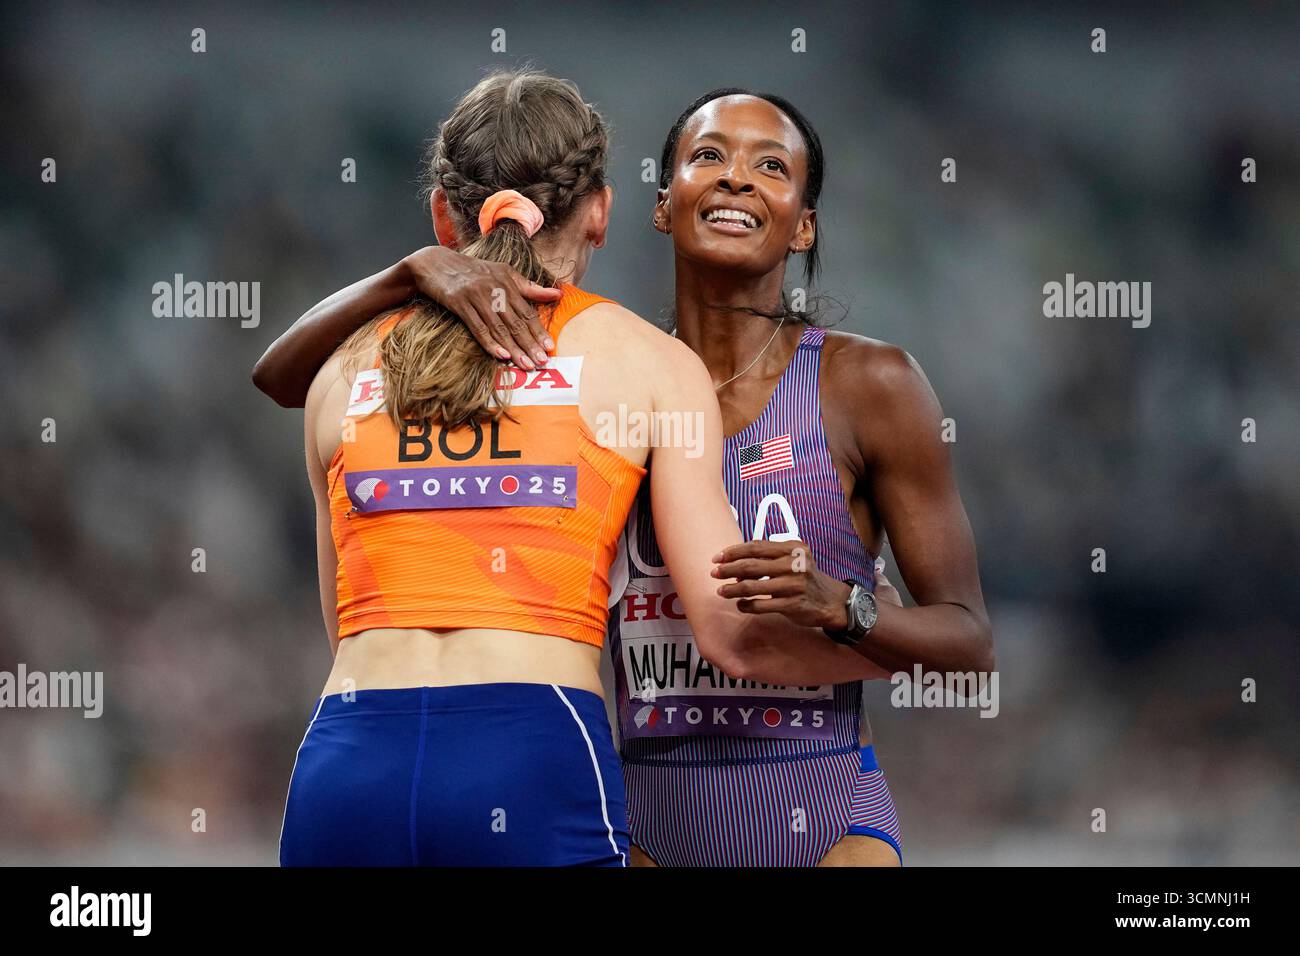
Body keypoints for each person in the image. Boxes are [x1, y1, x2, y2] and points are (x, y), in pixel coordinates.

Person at [259, 83, 992, 868]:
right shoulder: (643, 367)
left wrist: (848, 609)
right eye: (708, 155)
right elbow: (736, 640)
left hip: (353, 750)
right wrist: (849, 623)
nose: (737, 177)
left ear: (445, 217)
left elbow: (341, 610)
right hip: (573, 775)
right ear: (629, 208)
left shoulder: (349, 367)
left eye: (769, 165)